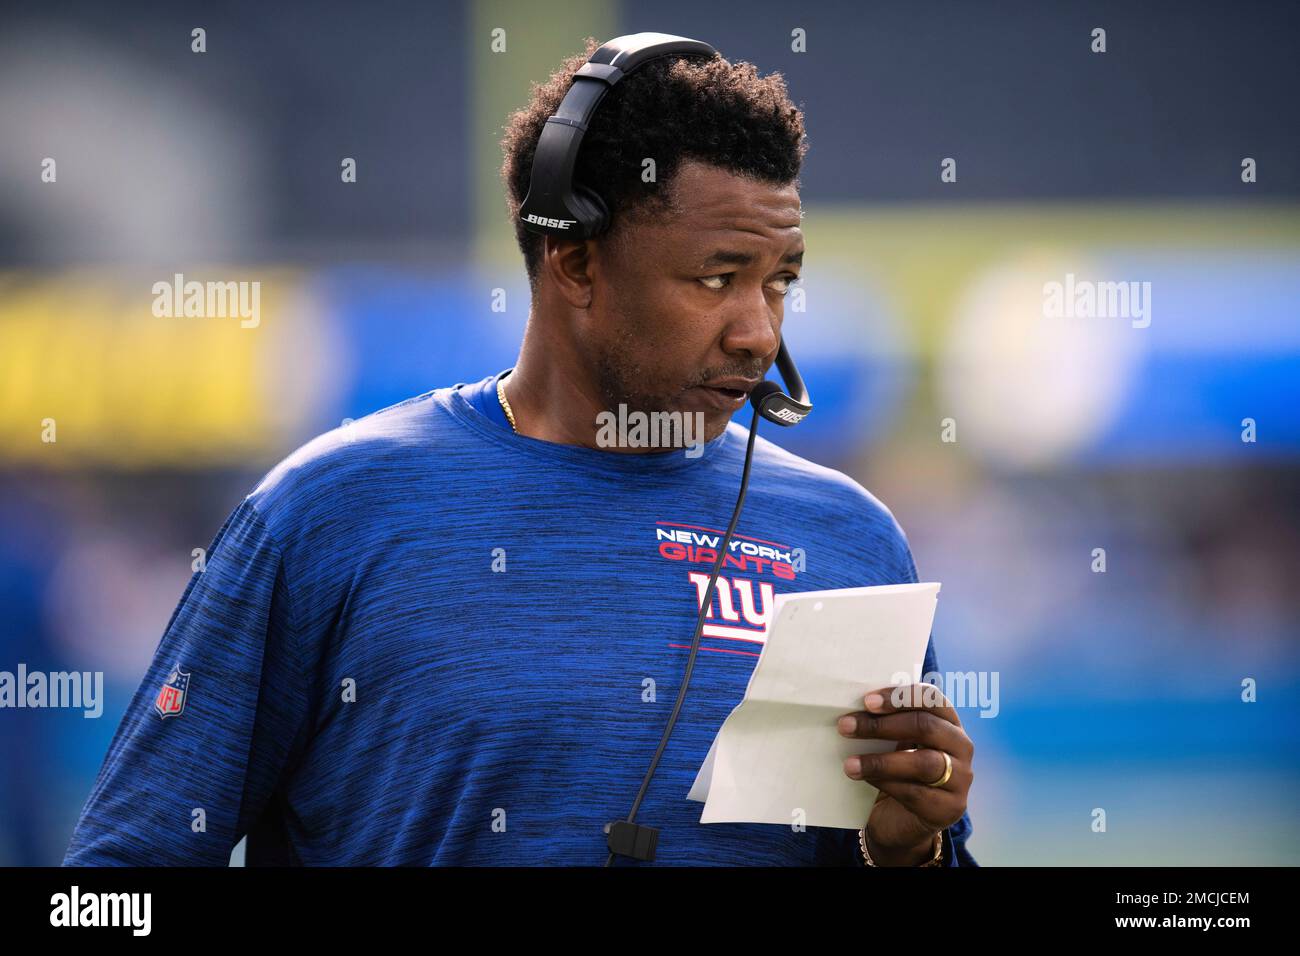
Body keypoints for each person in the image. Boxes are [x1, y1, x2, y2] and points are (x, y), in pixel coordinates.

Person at [63, 36, 975, 867]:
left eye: (780, 283)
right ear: (575, 265)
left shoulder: (851, 541)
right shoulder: (330, 512)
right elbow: (124, 873)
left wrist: (909, 855)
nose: (757, 333)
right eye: (716, 279)